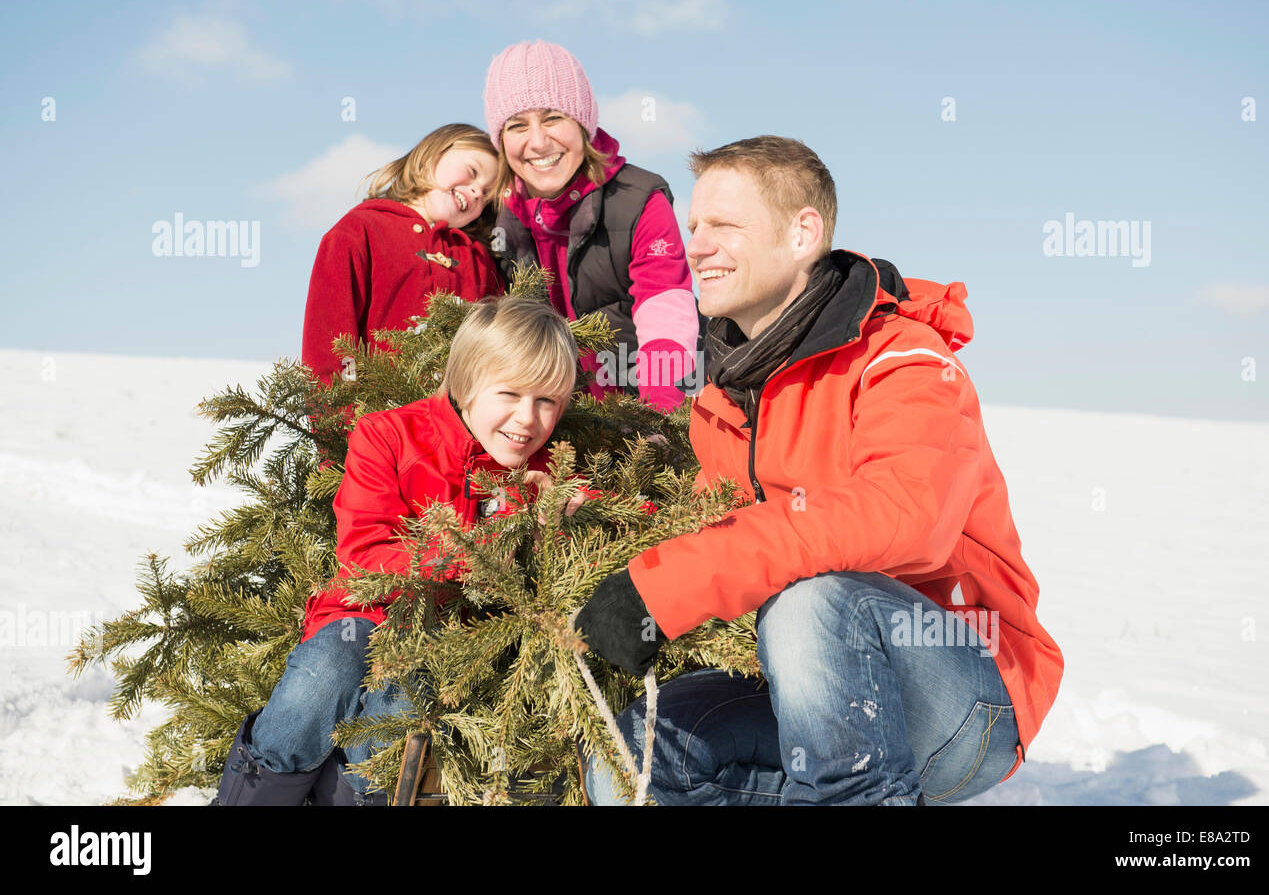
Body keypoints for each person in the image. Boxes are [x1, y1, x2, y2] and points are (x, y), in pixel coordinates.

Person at [575, 136, 1065, 805]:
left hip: (965, 694)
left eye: (724, 225)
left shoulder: (904, 359)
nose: (696, 245)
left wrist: (672, 586)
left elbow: (906, 514)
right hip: (811, 696)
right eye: (693, 227)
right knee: (637, 751)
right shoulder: (724, 396)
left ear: (803, 232)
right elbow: (714, 527)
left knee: (815, 599)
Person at [217, 296, 585, 805]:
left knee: (398, 705)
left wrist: (564, 517)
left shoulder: (543, 472)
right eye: (510, 394)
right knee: (324, 676)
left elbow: (607, 516)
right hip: (361, 614)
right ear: (466, 383)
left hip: (445, 642)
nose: (528, 419)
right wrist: (478, 545)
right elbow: (365, 554)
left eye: (548, 401)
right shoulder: (387, 435)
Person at [482, 40, 702, 412]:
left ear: (583, 124)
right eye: (518, 126)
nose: (537, 142)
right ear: (501, 141)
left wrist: (659, 417)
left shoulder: (639, 199)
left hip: (636, 408)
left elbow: (664, 313)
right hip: (547, 421)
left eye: (553, 118)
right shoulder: (494, 215)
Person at [301, 123, 505, 384]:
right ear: (435, 153)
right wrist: (339, 422)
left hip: (453, 421)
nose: (477, 192)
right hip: (373, 418)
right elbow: (329, 340)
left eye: (487, 195)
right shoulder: (360, 231)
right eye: (473, 171)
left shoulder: (477, 260)